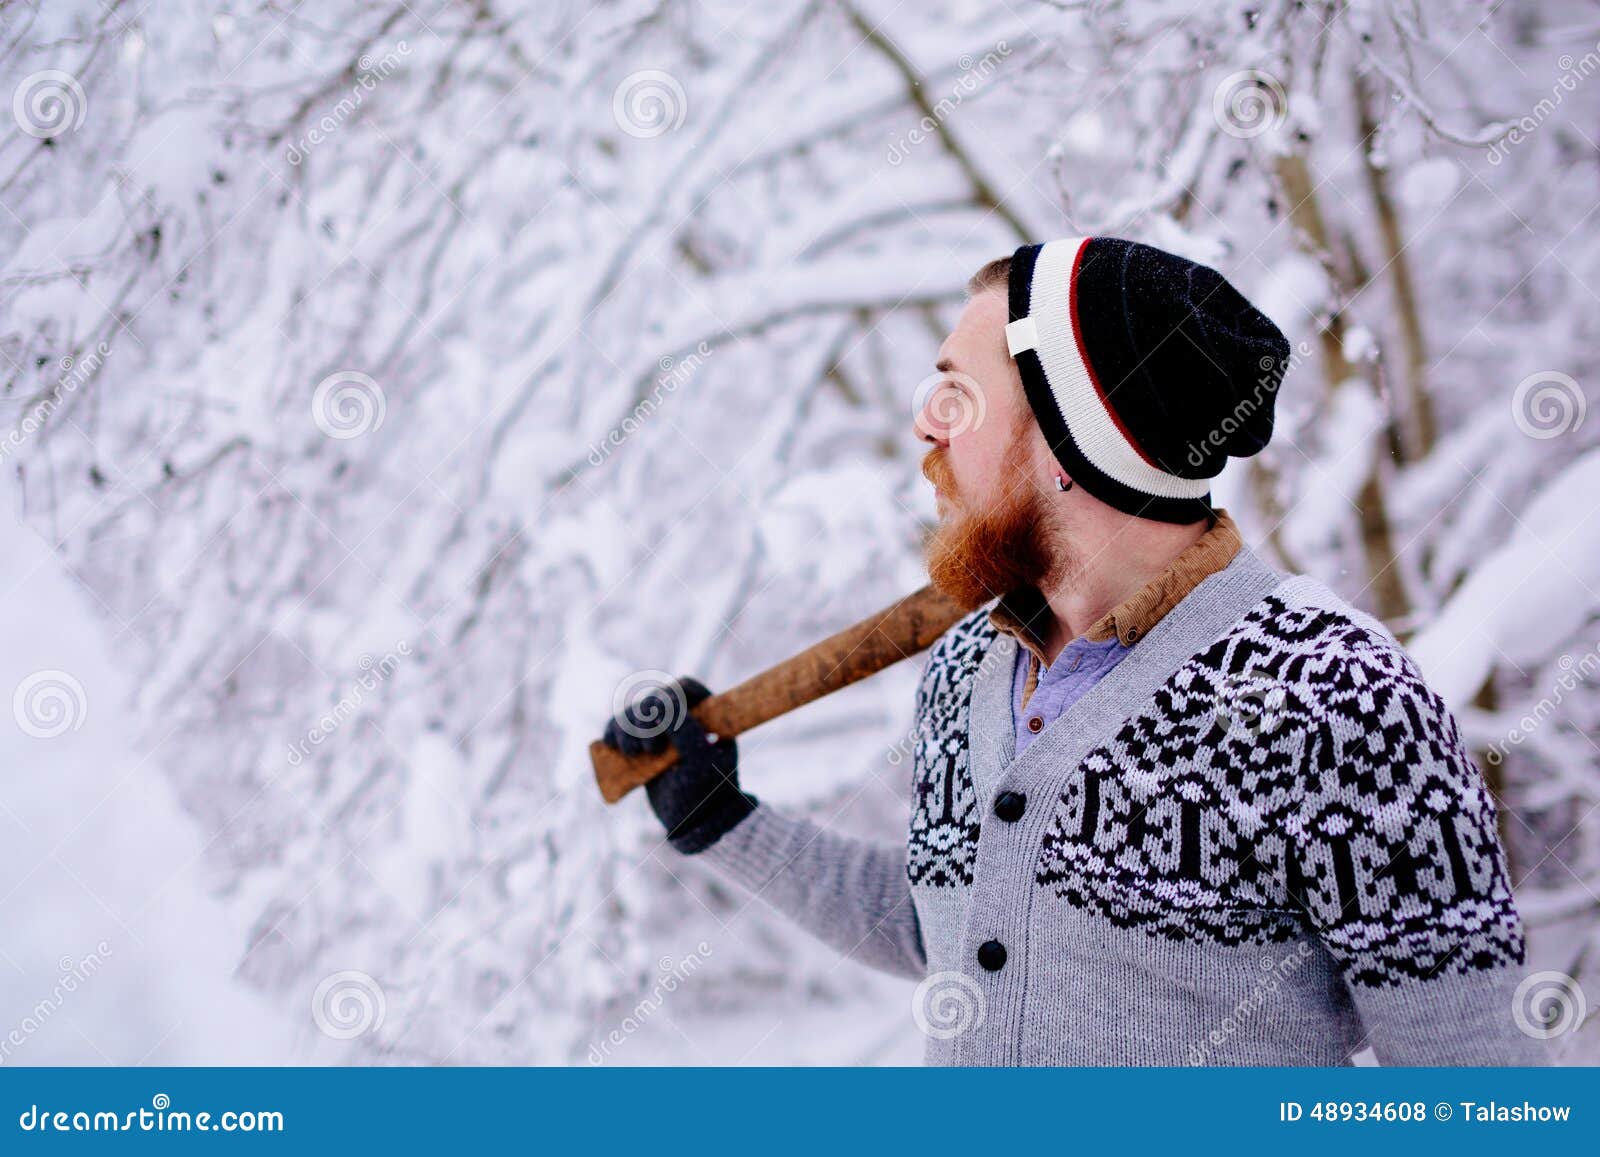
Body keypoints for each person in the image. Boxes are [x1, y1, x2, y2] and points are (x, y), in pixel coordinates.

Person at [601, 237, 1542, 1066]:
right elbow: (950, 926)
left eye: (958, 395)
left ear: (1069, 435)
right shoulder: (972, 665)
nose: (924, 426)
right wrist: (723, 820)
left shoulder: (1336, 699)